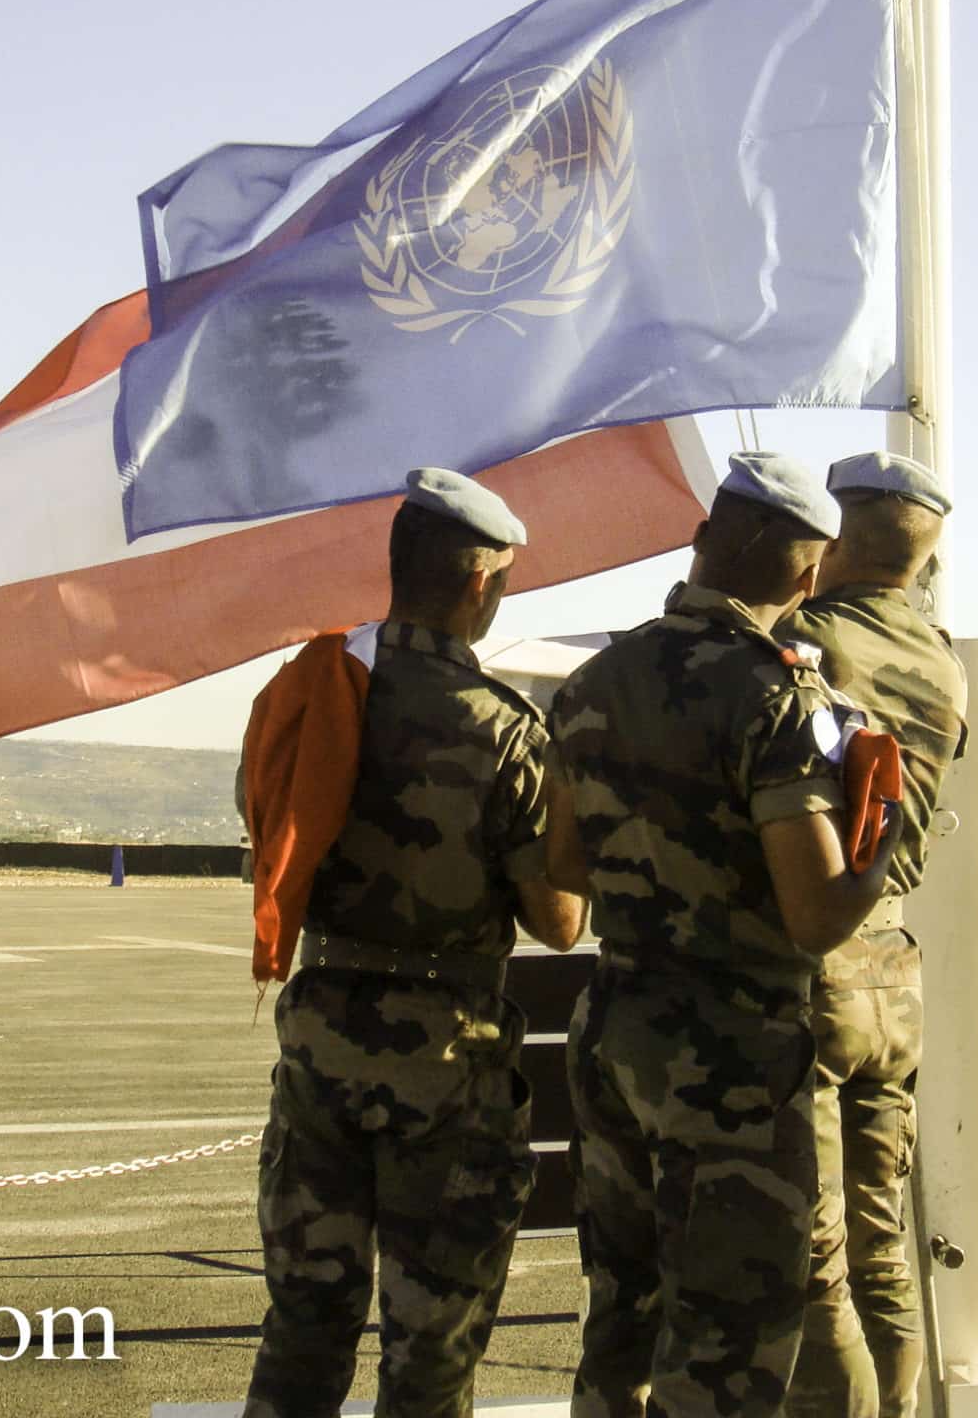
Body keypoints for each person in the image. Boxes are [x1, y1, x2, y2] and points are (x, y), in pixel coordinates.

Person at [549, 453, 898, 1418]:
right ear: (808, 576)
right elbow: (815, 914)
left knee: (621, 1322)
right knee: (730, 1344)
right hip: (732, 1054)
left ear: (702, 540)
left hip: (617, 1026)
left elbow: (564, 866)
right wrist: (880, 851)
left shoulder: (592, 680)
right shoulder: (781, 699)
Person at [243, 469, 586, 1418]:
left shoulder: (307, 694)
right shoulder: (503, 728)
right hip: (446, 1064)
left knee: (304, 1327)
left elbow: (270, 837)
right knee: (430, 1346)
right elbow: (559, 923)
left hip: (320, 1043)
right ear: (479, 584)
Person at [779, 451, 969, 1418]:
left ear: (836, 538)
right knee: (880, 1244)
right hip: (892, 969)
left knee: (815, 1259)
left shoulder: (808, 640)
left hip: (816, 958)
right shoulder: (942, 659)